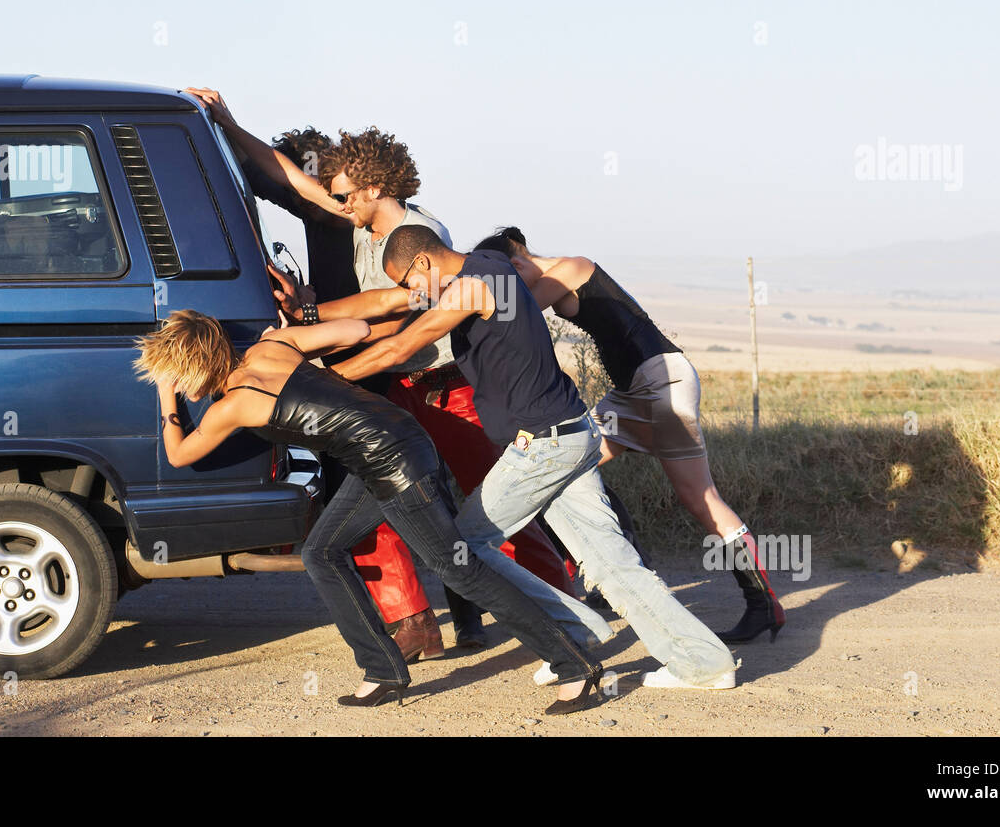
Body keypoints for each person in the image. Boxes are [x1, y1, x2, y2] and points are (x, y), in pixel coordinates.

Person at [183, 87, 574, 651]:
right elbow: (292, 179)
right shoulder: (361, 225)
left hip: (441, 384)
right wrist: (227, 120)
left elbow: (393, 318)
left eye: (342, 194)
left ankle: (555, 599)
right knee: (415, 495)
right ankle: (437, 624)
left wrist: (319, 341)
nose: (332, 202)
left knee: (487, 499)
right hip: (403, 383)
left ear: (372, 189)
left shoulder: (418, 240)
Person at [328, 225, 740, 695]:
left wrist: (320, 381)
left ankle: (568, 633)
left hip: (544, 444)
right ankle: (702, 661)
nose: (410, 294)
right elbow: (380, 309)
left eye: (408, 283)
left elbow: (402, 345)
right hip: (568, 435)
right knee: (609, 563)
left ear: (422, 263)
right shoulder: (495, 269)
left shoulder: (471, 285)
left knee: (464, 544)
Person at [133, 310, 602, 713]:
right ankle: (382, 672)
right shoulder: (273, 345)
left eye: (170, 371)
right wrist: (299, 328)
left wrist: (165, 397)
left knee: (459, 570)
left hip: (392, 463)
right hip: (393, 444)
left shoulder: (231, 407)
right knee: (322, 552)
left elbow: (179, 455)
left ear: (189, 367)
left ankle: (573, 664)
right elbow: (357, 329)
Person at [474, 227, 787, 644]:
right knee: (566, 466)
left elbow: (511, 313)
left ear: (515, 264)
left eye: (503, 276)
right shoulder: (550, 277)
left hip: (662, 381)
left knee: (700, 497)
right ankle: (624, 569)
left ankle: (763, 604)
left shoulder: (572, 267)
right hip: (631, 393)